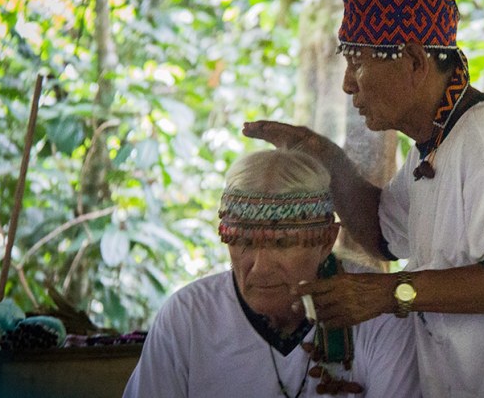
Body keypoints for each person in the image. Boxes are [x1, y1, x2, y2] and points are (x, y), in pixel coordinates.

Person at [243, 0, 484, 397]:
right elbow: (382, 234)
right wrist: (319, 153)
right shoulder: (434, 147)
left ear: (413, 60)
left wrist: (388, 293)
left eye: (358, 62)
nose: (348, 84)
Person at [123, 149, 420, 397]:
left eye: (282, 243)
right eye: (244, 241)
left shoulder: (377, 315)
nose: (261, 267)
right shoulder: (188, 316)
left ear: (326, 241)